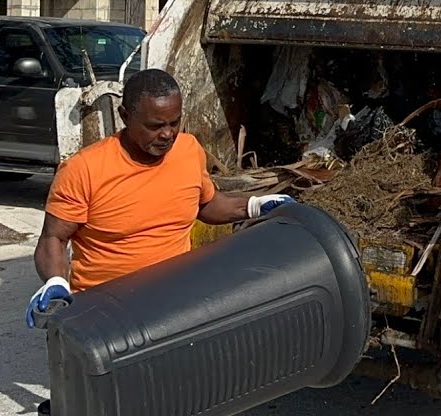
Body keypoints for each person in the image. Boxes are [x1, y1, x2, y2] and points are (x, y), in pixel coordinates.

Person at [25, 68, 291, 415]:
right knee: (102, 403)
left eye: (174, 123)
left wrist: (253, 206)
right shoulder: (84, 170)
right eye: (154, 125)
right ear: (124, 116)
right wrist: (57, 283)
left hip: (172, 306)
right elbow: (53, 239)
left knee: (175, 397)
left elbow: (206, 204)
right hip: (108, 315)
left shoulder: (188, 151)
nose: (167, 134)